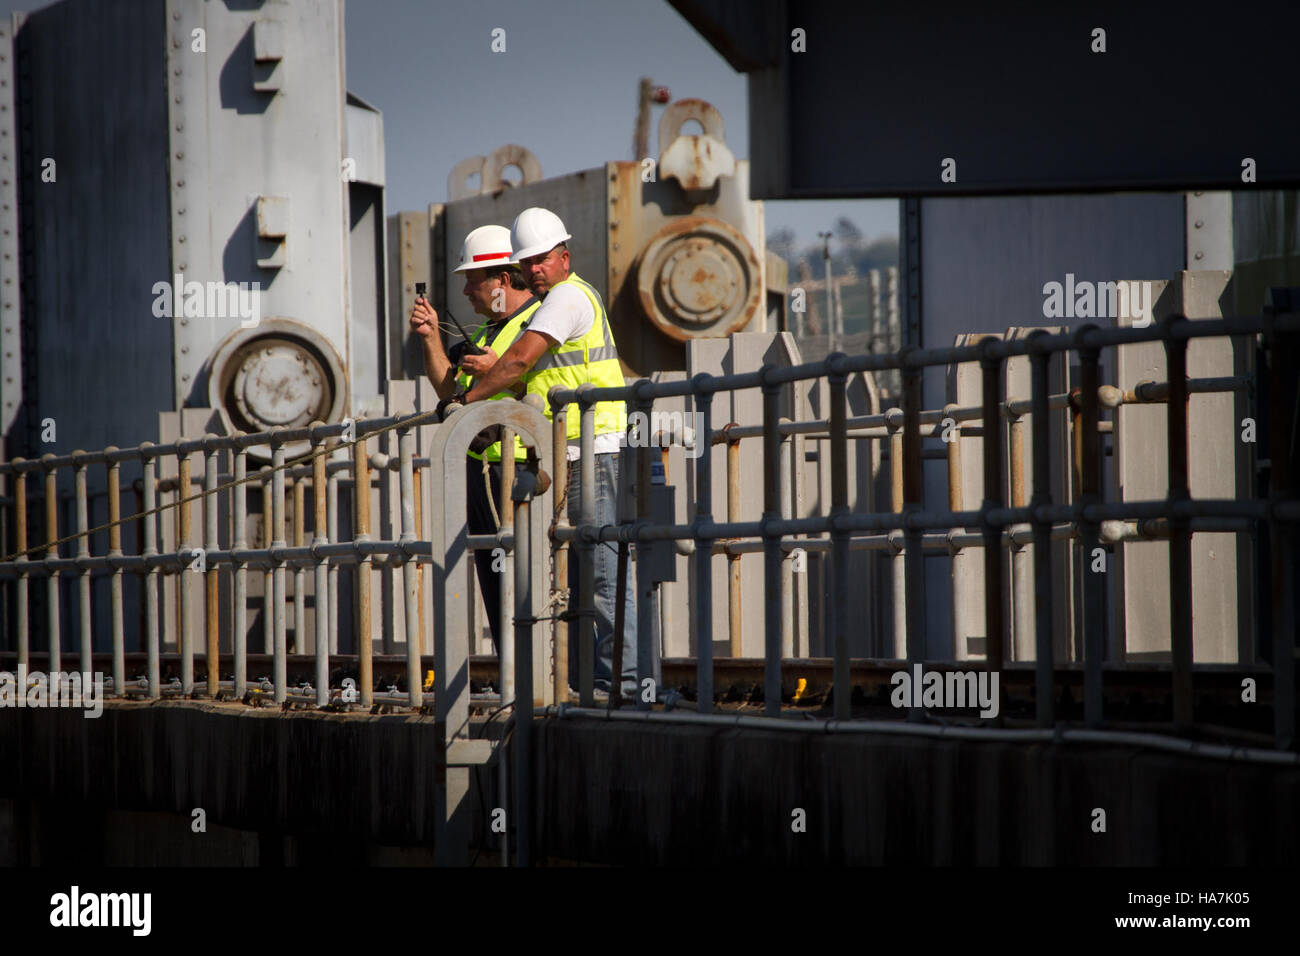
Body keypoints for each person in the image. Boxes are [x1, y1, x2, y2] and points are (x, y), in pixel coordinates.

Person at [452, 207, 636, 697]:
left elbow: (520, 360)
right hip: (569, 449)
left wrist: (466, 402)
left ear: (564, 257)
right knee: (583, 571)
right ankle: (594, 680)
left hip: (592, 446)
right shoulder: (558, 299)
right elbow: (529, 370)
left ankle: (623, 680)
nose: (534, 269)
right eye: (527, 262)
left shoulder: (566, 298)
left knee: (600, 570)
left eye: (542, 259)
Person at [409, 224, 539, 652]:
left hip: (522, 470)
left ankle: (535, 678)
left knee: (527, 578)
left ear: (502, 281)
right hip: (488, 469)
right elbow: (452, 395)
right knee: (494, 573)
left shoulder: (538, 327)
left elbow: (527, 382)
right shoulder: (489, 333)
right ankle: (513, 675)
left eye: (472, 280)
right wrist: (430, 340)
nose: (466, 292)